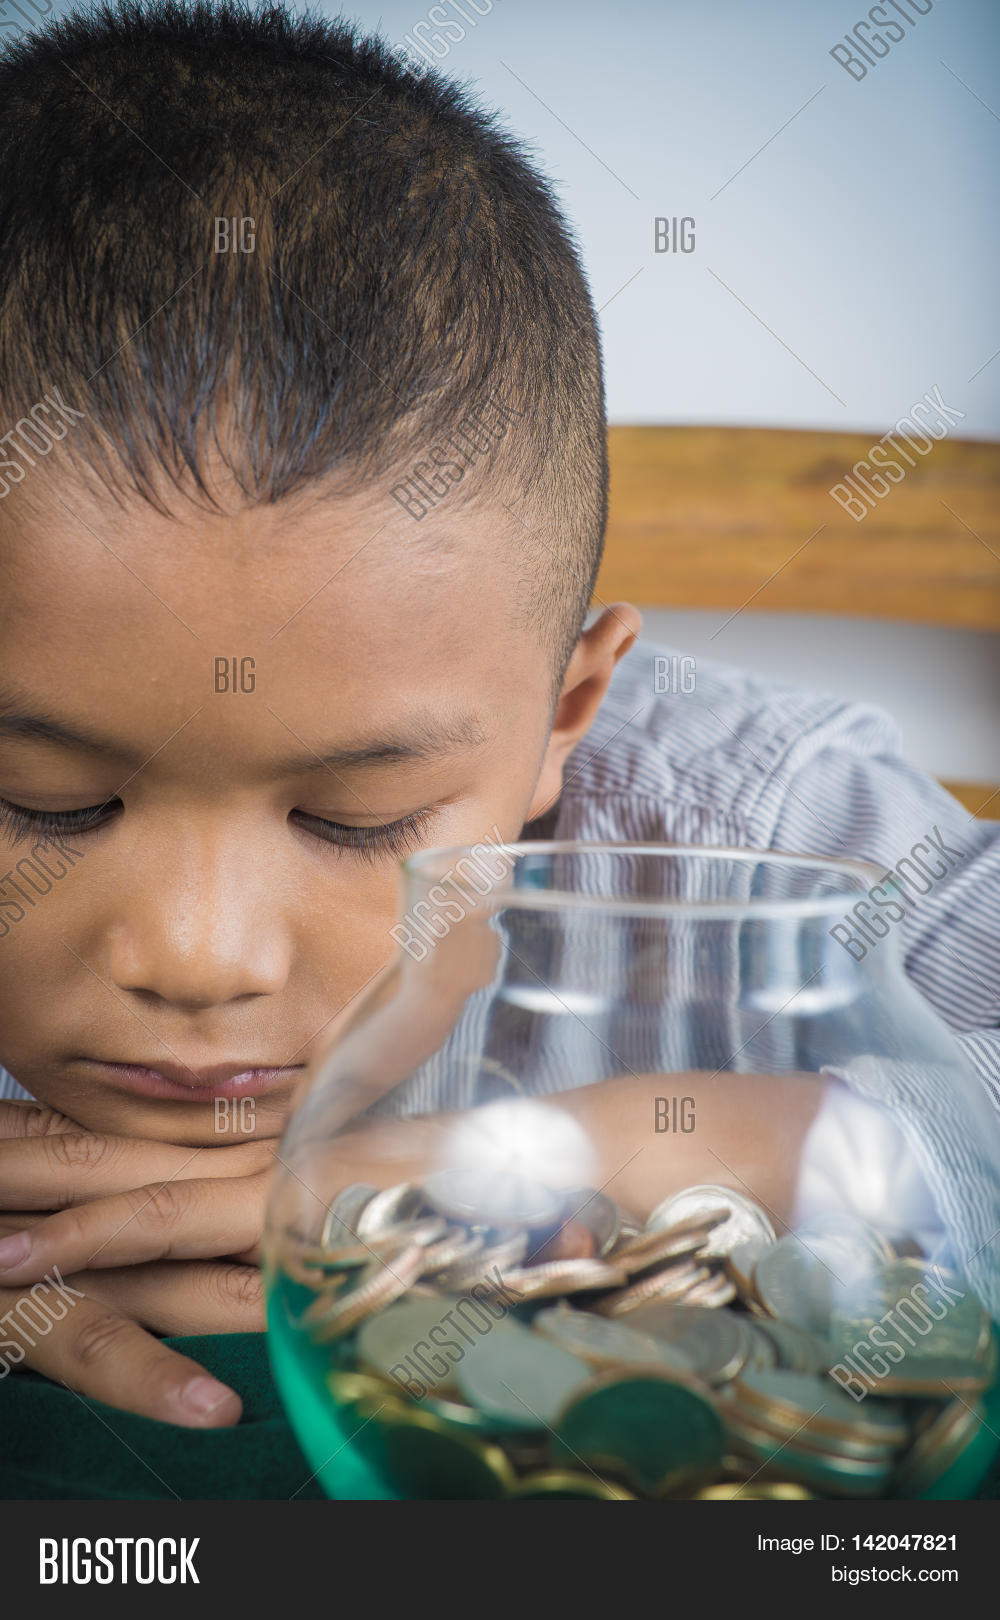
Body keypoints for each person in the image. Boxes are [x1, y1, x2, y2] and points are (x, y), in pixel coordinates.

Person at [0, 0, 996, 1428]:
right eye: (41, 797)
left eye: (357, 818)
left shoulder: (737, 819)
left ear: (565, 716)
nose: (200, 958)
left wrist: (601, 1154)